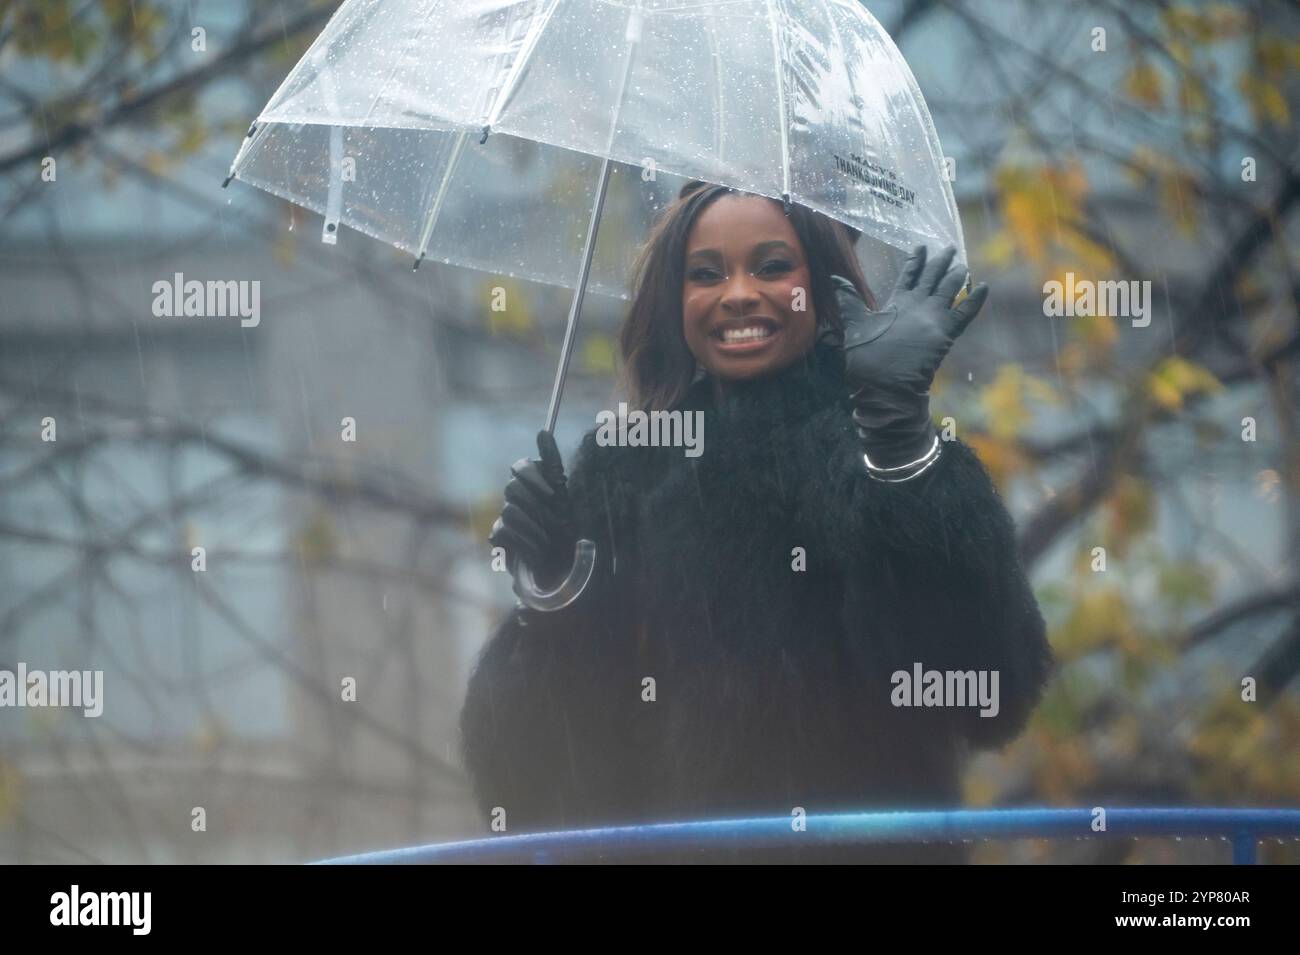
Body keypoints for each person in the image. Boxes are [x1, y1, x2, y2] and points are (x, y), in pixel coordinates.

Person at [458, 180, 1054, 863]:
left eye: (772, 267)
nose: (738, 293)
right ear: (673, 297)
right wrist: (554, 599)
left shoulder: (857, 441)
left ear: (822, 286)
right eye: (706, 273)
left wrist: (895, 436)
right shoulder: (622, 471)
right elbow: (532, 793)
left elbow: (986, 692)